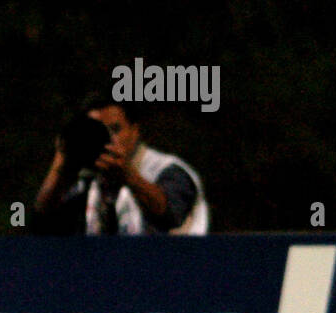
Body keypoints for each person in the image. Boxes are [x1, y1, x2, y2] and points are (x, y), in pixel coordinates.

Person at [33, 100, 208, 235]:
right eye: (98, 132)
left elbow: (170, 216)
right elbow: (44, 223)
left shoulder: (168, 169)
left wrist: (128, 176)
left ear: (135, 130)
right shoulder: (88, 179)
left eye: (115, 129)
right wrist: (61, 164)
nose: (107, 138)